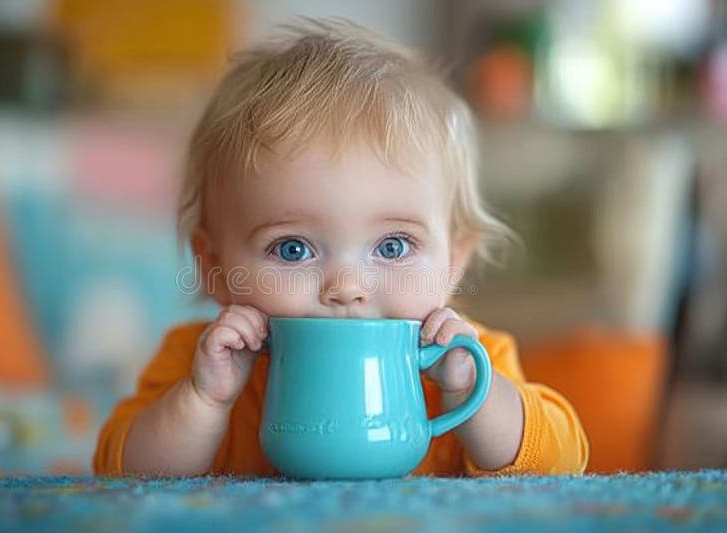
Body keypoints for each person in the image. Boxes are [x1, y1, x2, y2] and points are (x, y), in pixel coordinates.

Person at [94, 17, 588, 477]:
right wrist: (202, 402)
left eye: (393, 246)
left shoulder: (467, 358)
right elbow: (118, 470)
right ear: (215, 266)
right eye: (292, 249)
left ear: (453, 262)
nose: (346, 288)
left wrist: (476, 402)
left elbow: (565, 461)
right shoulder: (201, 363)